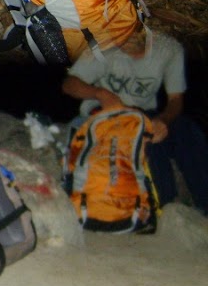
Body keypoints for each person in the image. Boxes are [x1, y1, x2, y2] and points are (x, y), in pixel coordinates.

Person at [63, 27, 208, 215]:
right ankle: (164, 208)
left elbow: (175, 100)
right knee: (142, 137)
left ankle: (204, 205)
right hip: (105, 112)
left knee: (186, 130)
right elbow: (69, 85)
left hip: (146, 113)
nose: (125, 38)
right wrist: (100, 93)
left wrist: (163, 121)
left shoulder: (169, 49)